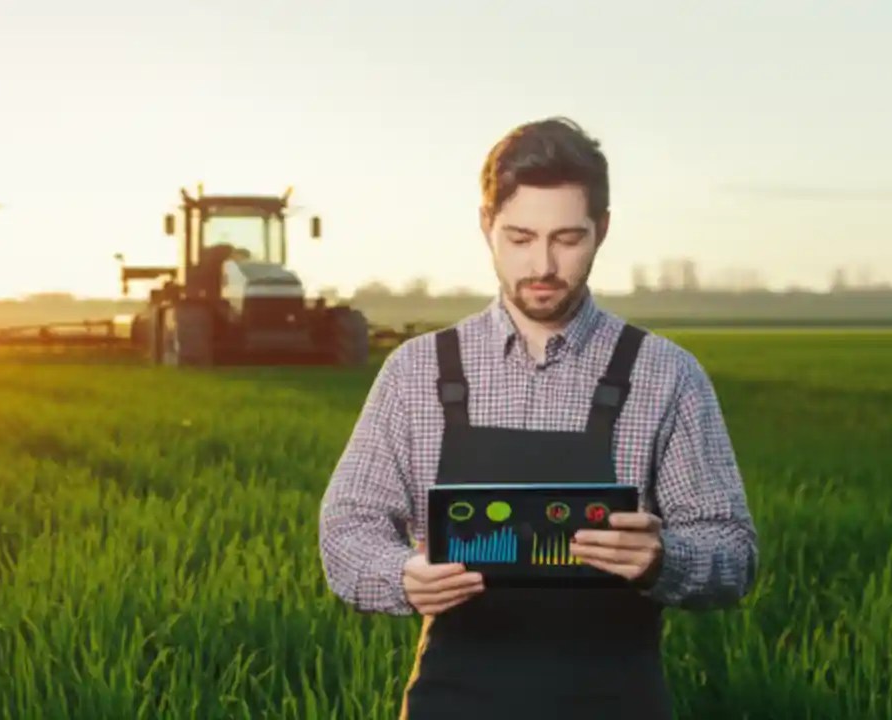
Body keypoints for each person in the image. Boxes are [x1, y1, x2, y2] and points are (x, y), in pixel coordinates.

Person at [317, 116, 759, 719]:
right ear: (486, 227)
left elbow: (731, 551)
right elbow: (348, 527)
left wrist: (665, 558)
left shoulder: (666, 375)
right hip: (453, 702)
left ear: (602, 230)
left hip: (616, 703)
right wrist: (401, 575)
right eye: (520, 237)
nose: (543, 265)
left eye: (568, 238)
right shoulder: (416, 372)